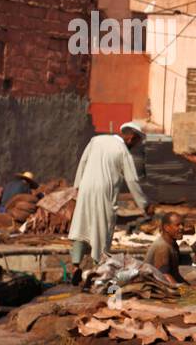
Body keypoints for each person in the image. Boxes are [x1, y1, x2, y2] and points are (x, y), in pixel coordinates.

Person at [69, 122, 149, 268]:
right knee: (102, 230)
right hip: (105, 192)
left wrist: (77, 187)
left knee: (82, 225)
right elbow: (132, 181)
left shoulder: (96, 140)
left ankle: (75, 265)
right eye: (137, 142)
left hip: (86, 188)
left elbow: (83, 161)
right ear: (131, 138)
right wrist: (144, 205)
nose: (136, 146)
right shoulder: (123, 151)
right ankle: (98, 267)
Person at [145, 212, 186, 284]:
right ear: (166, 227)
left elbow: (175, 274)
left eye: (182, 225)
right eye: (177, 225)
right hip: (154, 287)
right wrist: (184, 290)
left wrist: (188, 286)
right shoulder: (162, 247)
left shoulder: (173, 244)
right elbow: (164, 275)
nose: (181, 228)